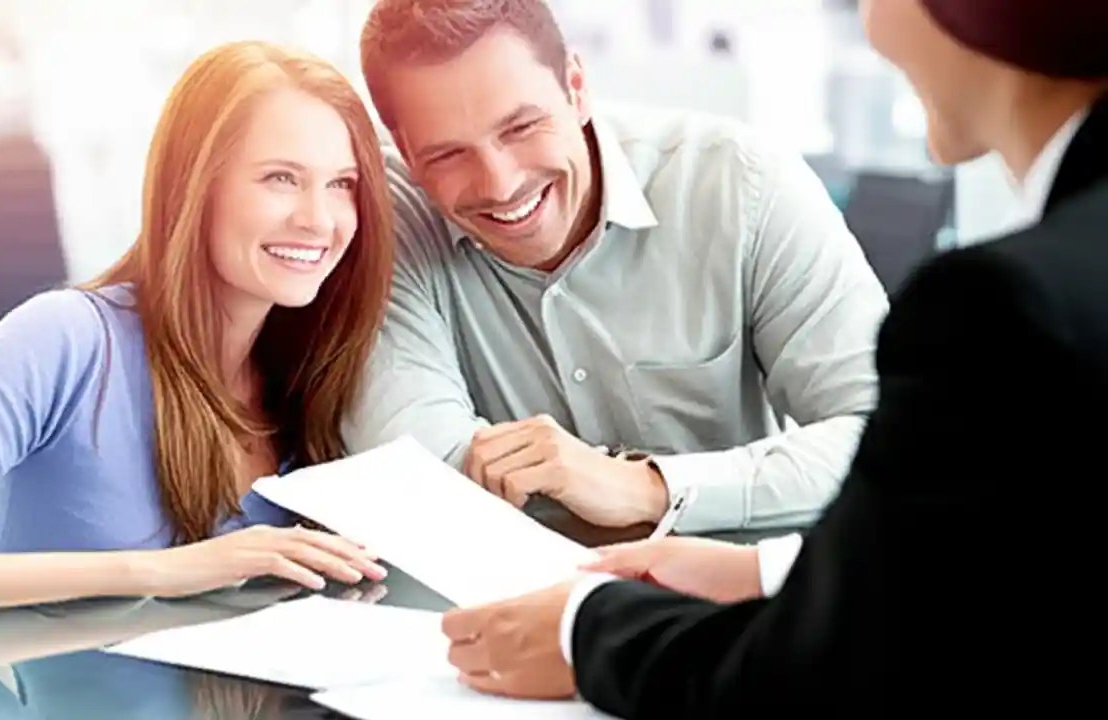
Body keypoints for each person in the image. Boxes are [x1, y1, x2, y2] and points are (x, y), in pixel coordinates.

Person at [440, 0, 1108, 713]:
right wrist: (767, 571)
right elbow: (1002, 552)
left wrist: (586, 626)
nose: (871, 26)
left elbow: (815, 677)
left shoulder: (1001, 306)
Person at [0, 41, 394, 630]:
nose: (319, 219)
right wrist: (156, 571)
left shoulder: (318, 371)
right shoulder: (66, 342)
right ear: (194, 186)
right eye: (281, 178)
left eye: (342, 185)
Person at [343, 0, 889, 542]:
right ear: (407, 156)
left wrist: (645, 487)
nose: (500, 184)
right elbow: (417, 476)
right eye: (447, 156)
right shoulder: (386, 222)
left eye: (522, 127)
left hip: (729, 605)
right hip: (511, 608)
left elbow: (894, 434)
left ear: (576, 88)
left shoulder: (739, 186)